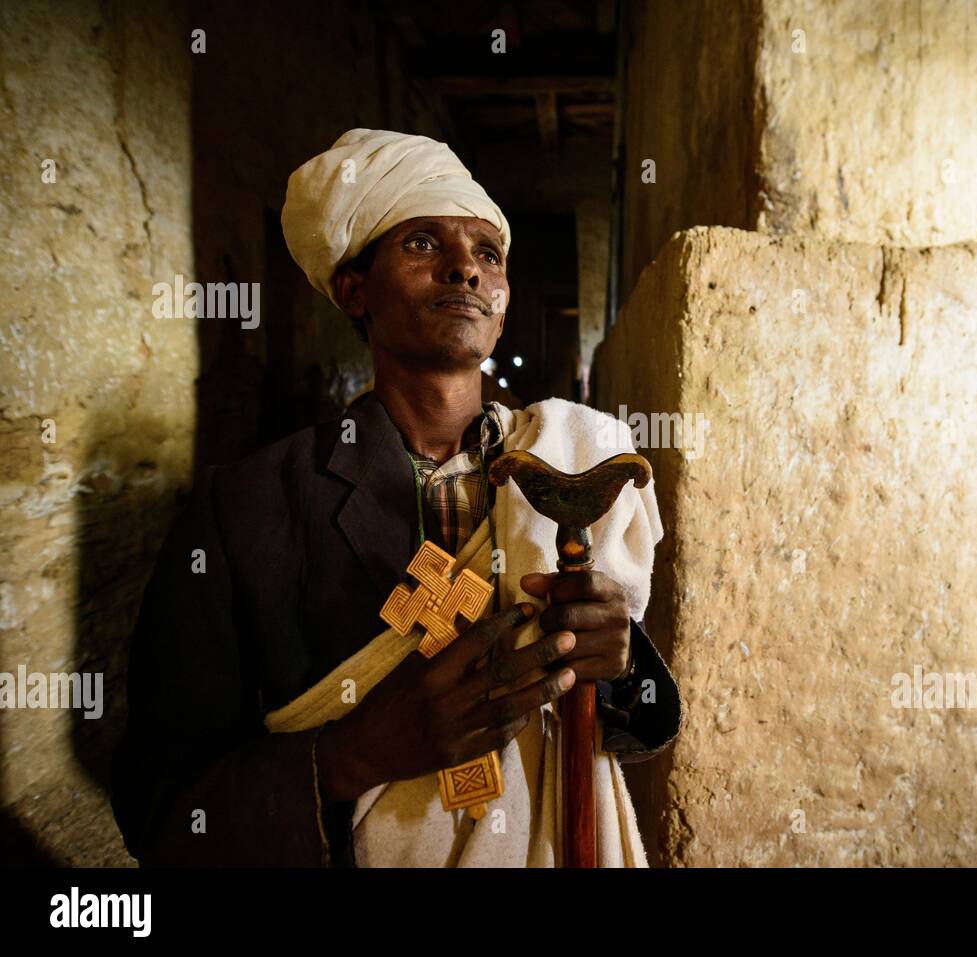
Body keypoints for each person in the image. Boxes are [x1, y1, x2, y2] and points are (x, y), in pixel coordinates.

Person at [111, 129, 681, 867]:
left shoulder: (566, 466)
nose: (464, 270)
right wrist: (351, 755)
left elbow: (635, 728)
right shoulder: (246, 511)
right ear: (354, 287)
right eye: (421, 243)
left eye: (487, 253)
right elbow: (161, 811)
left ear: (504, 299)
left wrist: (622, 664)